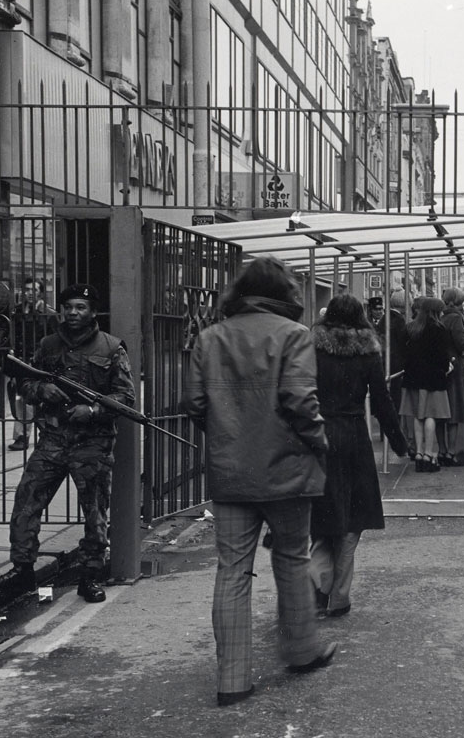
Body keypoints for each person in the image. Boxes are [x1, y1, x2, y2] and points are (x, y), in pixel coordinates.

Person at [181, 257, 337, 706]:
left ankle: (232, 679)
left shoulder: (210, 337)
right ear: (284, 293)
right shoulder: (293, 335)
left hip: (231, 472)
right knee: (291, 558)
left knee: (232, 570)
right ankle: (302, 649)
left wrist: (227, 433)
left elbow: (193, 402)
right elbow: (300, 401)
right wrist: (321, 443)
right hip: (287, 470)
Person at [0, 284, 136, 604]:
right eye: (68, 307)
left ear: (93, 311)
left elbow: (125, 398)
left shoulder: (112, 348)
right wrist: (43, 390)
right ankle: (23, 569)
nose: (73, 313)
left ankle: (90, 575)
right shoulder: (48, 345)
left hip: (92, 443)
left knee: (94, 513)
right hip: (52, 439)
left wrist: (91, 410)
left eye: (80, 307)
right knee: (27, 500)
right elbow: (24, 383)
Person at [309, 295, 408, 617]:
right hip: (353, 438)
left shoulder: (312, 347)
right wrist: (398, 442)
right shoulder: (368, 350)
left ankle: (315, 590)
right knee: (351, 522)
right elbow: (381, 401)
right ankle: (339, 596)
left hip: (319, 435)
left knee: (321, 518)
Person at [400, 297, 452, 472]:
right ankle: (429, 455)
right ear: (436, 312)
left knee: (417, 416)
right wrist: (447, 367)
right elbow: (444, 357)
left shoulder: (411, 328)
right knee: (431, 415)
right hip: (434, 379)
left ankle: (420, 453)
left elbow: (404, 355)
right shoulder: (439, 330)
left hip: (414, 378)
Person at [7, 278, 57, 451]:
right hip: (20, 361)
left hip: (39, 363)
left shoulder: (48, 314)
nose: (29, 293)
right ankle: (23, 434)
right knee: (21, 398)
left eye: (33, 290)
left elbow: (54, 341)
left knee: (37, 398)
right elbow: (12, 335)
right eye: (26, 289)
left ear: (40, 292)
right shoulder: (18, 312)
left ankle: (41, 431)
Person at [439, 288, 464, 465]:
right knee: (454, 412)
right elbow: (462, 344)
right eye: (462, 303)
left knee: (441, 412)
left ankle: (442, 450)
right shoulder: (455, 318)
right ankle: (452, 453)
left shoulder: (440, 317)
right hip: (456, 368)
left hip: (443, 365)